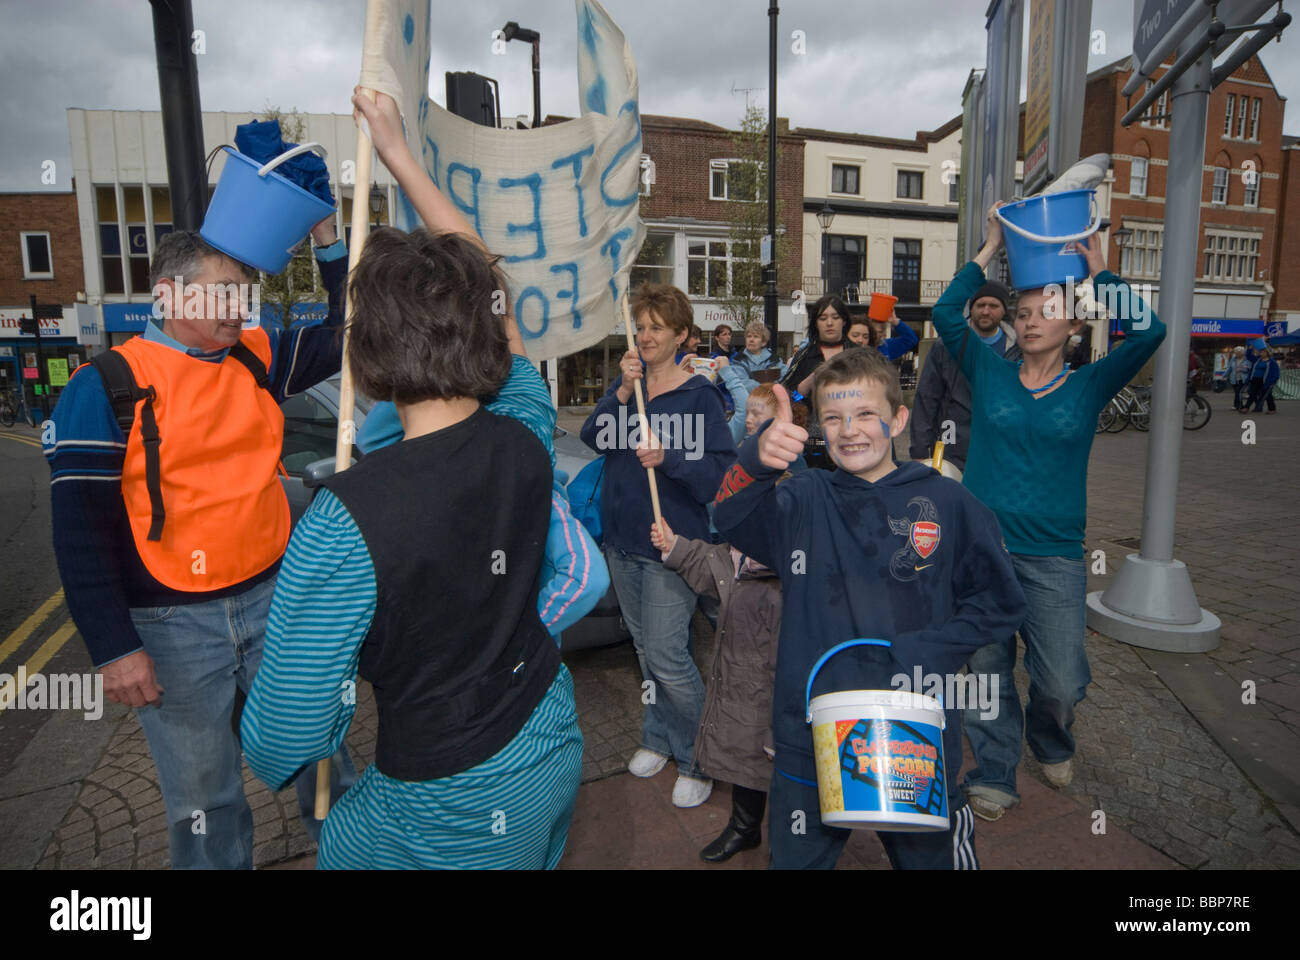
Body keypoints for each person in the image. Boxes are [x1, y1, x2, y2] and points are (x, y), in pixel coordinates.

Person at [241, 88, 583, 869]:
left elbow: (283, 737)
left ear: (365, 362)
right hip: (551, 737)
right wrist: (400, 155)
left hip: (447, 801)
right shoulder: (529, 429)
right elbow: (493, 288)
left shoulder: (341, 521)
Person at [44, 218, 356, 870]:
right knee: (205, 798)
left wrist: (330, 245)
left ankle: (350, 854)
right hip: (170, 626)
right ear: (168, 295)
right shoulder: (103, 386)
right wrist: (114, 649)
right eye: (224, 292)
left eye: (245, 292)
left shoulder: (256, 356)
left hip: (274, 599)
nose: (239, 308)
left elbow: (349, 332)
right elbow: (81, 535)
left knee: (320, 751)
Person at [714, 350, 1027, 869]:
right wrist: (755, 458)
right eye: (832, 418)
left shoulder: (949, 503)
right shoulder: (802, 499)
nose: (849, 430)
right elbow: (729, 516)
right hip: (810, 726)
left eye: (864, 414)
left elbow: (1000, 602)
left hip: (913, 728)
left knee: (925, 858)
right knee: (795, 857)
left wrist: (927, 649)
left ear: (898, 419)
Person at [939, 205, 1167, 822]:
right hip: (983, 551)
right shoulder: (990, 370)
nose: (1031, 319)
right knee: (985, 670)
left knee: (1060, 680)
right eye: (1023, 311)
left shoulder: (1089, 385)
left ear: (1073, 325)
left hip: (1055, 557)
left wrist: (1100, 272)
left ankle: (1052, 736)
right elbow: (943, 314)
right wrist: (987, 249)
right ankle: (994, 770)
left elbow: (1150, 333)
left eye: (1046, 311)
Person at [580, 284, 737, 808]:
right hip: (622, 540)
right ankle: (659, 738)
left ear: (681, 336)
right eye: (640, 327)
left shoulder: (701, 396)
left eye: (656, 328)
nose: (645, 336)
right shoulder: (631, 387)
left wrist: (668, 457)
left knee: (670, 656)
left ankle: (700, 756)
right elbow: (594, 438)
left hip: (674, 546)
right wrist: (622, 393)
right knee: (645, 649)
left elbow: (719, 477)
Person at [649, 513, 783, 863]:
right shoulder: (742, 558)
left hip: (781, 699)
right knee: (746, 759)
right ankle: (744, 827)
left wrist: (781, 725)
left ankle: (789, 842)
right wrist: (673, 544)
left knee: (788, 776)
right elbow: (711, 566)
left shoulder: (792, 583)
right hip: (742, 688)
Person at [909, 281, 1020, 481]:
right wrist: (919, 448)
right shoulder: (946, 347)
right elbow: (927, 397)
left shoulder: (1017, 349)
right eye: (980, 305)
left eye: (993, 306)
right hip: (952, 445)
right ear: (972, 308)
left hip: (1000, 450)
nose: (986, 311)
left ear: (1004, 310)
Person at [781, 295, 850, 470]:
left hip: (850, 436)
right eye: (823, 318)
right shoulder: (805, 356)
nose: (829, 323)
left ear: (843, 321)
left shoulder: (857, 355)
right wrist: (808, 382)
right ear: (815, 323)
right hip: (814, 443)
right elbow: (789, 399)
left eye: (835, 317)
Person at [849, 311, 920, 362]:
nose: (860, 340)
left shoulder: (885, 346)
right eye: (855, 335)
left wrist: (895, 321)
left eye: (880, 332)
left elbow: (911, 339)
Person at [1241, 347, 1280, 414]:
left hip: (1265, 381)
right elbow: (1248, 356)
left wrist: (1273, 381)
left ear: (1267, 353)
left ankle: (1272, 409)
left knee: (1267, 395)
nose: (1261, 353)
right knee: (1252, 394)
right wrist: (1250, 348)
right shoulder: (1257, 359)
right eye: (1261, 352)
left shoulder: (1271, 362)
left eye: (1263, 352)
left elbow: (1276, 372)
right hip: (1255, 379)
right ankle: (1246, 407)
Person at [1228, 345, 1250, 410]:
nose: (1237, 354)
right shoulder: (1233, 359)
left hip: (1242, 379)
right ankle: (1239, 405)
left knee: (1238, 392)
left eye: (1239, 352)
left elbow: (1249, 369)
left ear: (1242, 353)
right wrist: (1224, 376)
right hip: (1234, 379)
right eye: (1236, 352)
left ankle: (1238, 405)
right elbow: (1229, 368)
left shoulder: (1246, 359)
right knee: (1237, 393)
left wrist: (1242, 369)